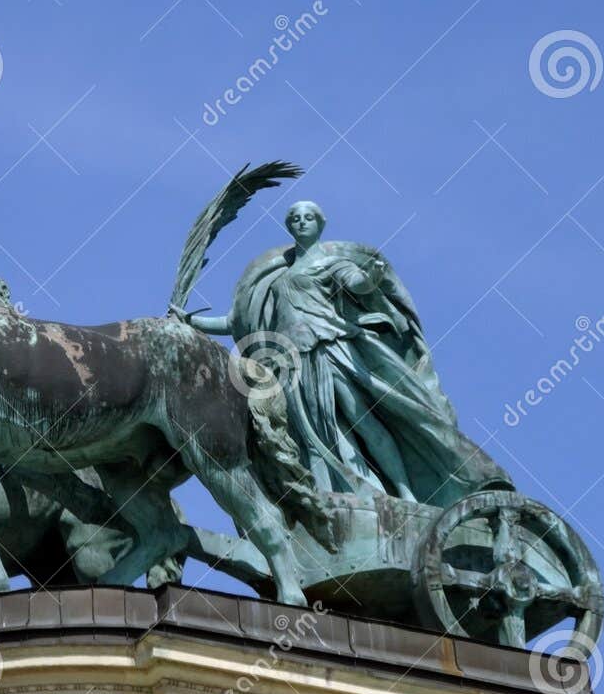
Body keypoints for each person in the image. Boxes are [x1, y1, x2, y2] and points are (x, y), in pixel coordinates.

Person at [180, 201, 509, 505]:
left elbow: (358, 284)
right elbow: (236, 321)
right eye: (294, 219)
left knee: (364, 422)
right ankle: (339, 495)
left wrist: (372, 277)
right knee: (314, 436)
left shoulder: (331, 263)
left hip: (330, 350)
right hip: (294, 363)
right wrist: (190, 320)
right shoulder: (277, 275)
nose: (301, 222)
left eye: (308, 217)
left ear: (320, 224)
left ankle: (406, 493)